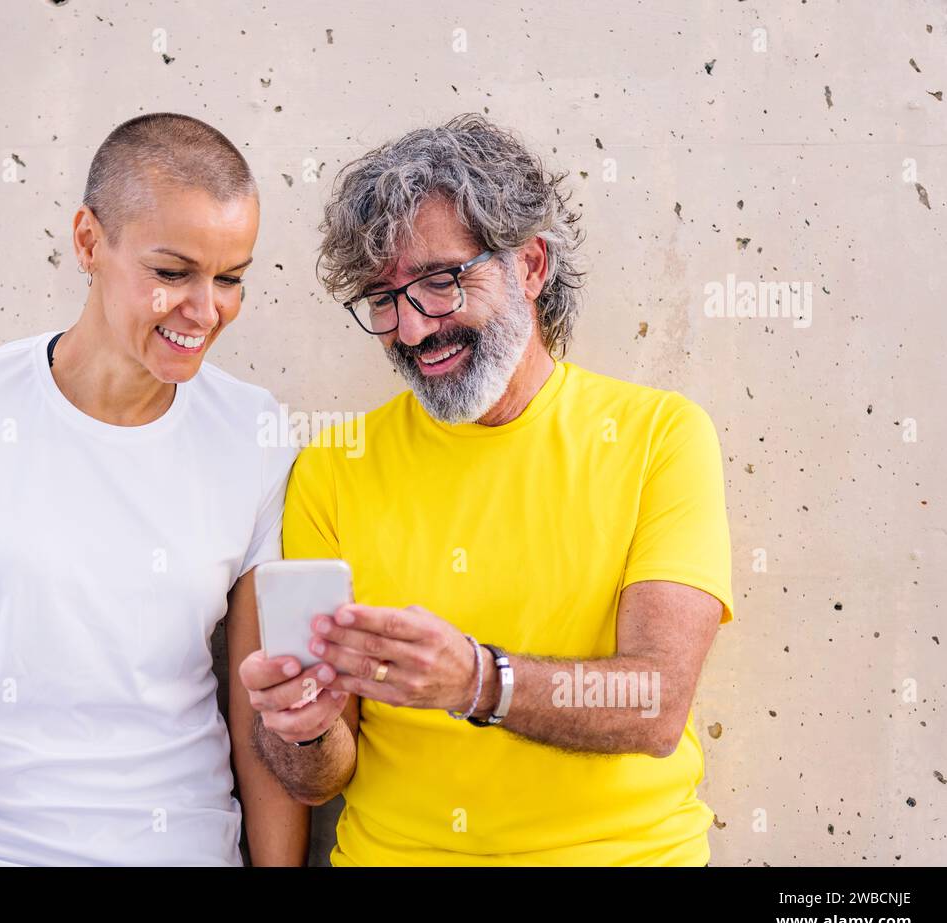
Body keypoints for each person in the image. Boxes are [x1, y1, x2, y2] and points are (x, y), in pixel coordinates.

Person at [239, 113, 735, 866]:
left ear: (530, 265)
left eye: (439, 282)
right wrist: (302, 727)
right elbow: (321, 779)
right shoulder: (333, 467)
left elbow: (655, 704)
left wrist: (478, 682)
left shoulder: (659, 436)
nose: (410, 331)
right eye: (383, 299)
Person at [0, 113, 308, 866]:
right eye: (171, 273)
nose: (205, 309)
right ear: (90, 242)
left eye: (230, 279)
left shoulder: (253, 431)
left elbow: (263, 718)